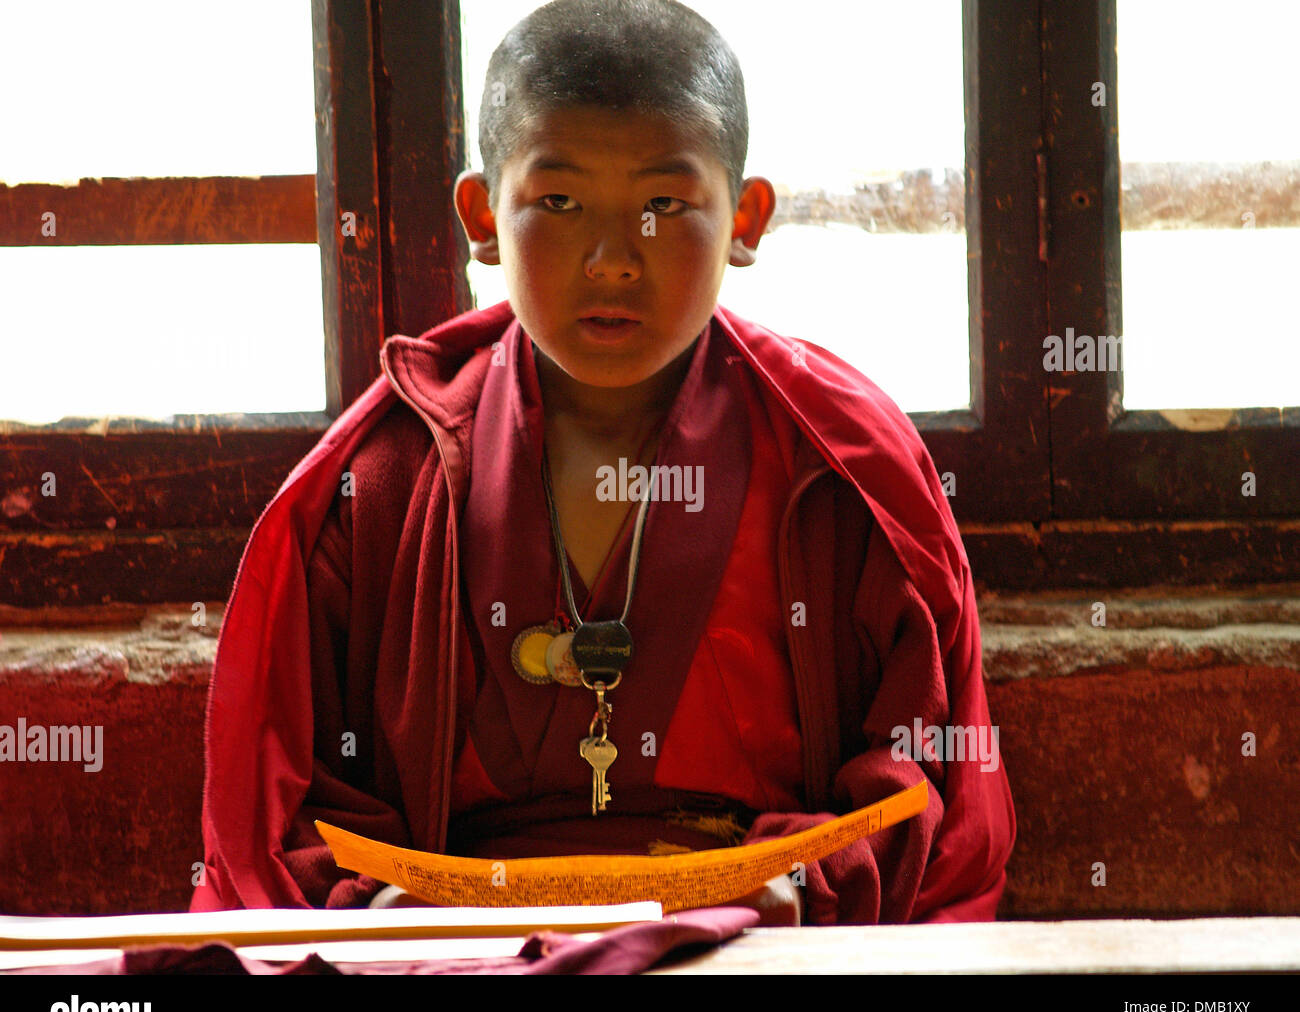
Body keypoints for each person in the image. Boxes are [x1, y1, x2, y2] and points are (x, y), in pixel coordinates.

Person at [193, 0, 1015, 926]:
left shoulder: (840, 463)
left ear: (745, 219)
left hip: (755, 946)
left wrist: (799, 891)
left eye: (664, 204)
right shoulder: (387, 477)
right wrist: (387, 910)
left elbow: (927, 782)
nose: (615, 259)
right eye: (559, 202)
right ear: (482, 216)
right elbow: (274, 822)